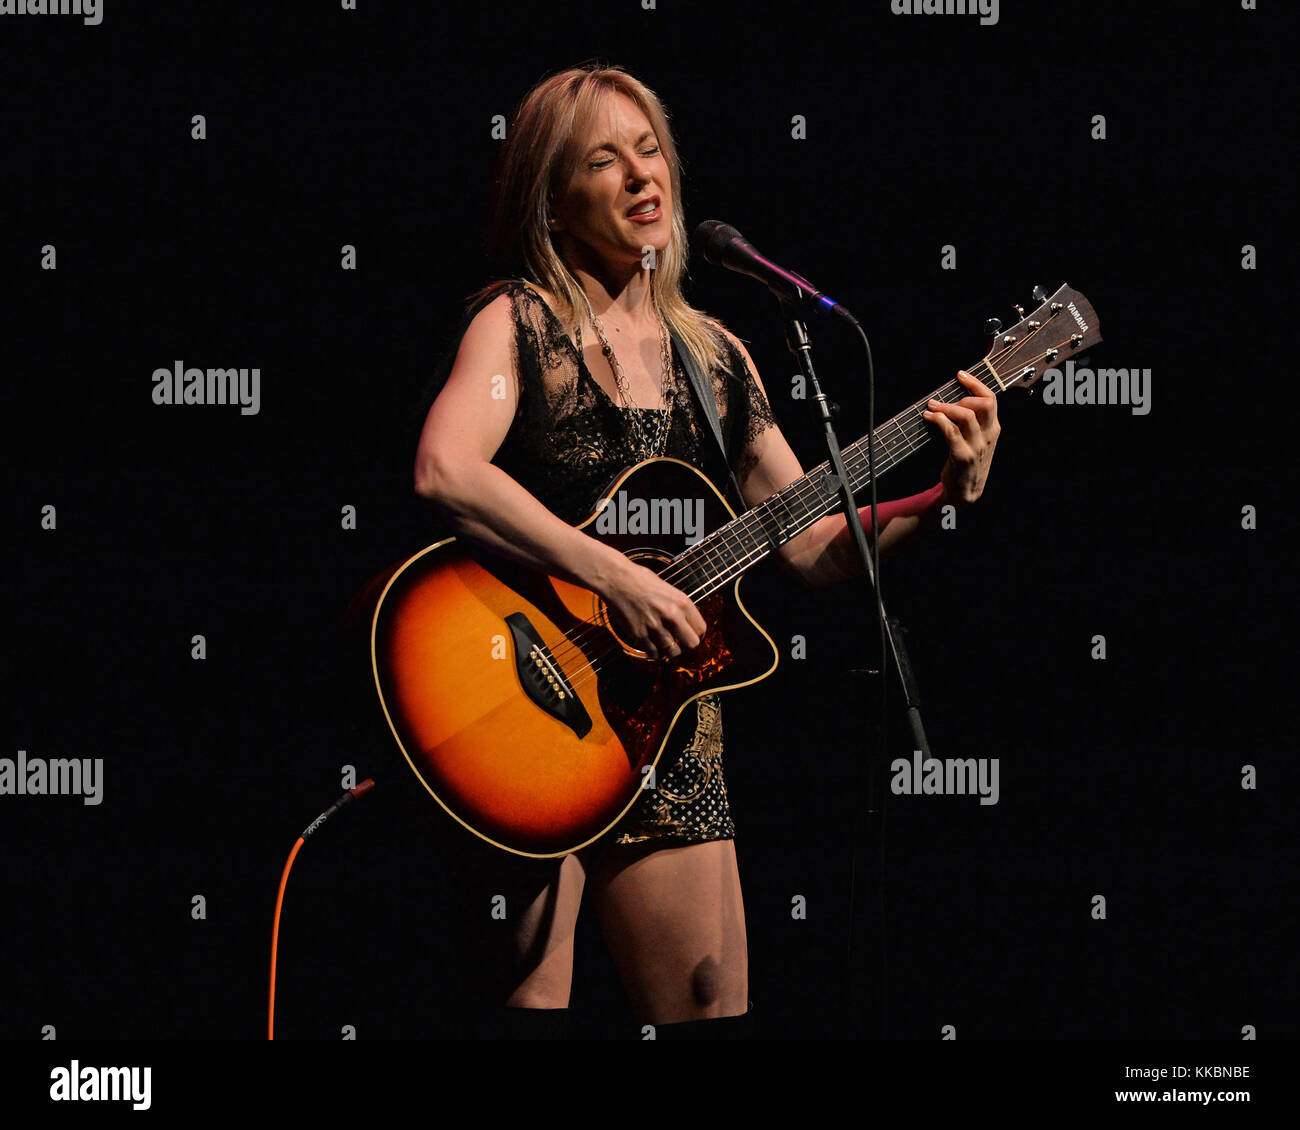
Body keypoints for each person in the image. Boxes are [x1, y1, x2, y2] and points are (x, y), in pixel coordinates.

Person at [412, 62, 999, 1039]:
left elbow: (813, 546)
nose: (643, 176)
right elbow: (444, 467)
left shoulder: (716, 355)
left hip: (672, 734)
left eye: (650, 150)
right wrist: (612, 574)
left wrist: (941, 495)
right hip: (522, 707)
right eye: (603, 159)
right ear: (552, 199)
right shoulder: (517, 322)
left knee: (709, 1012)